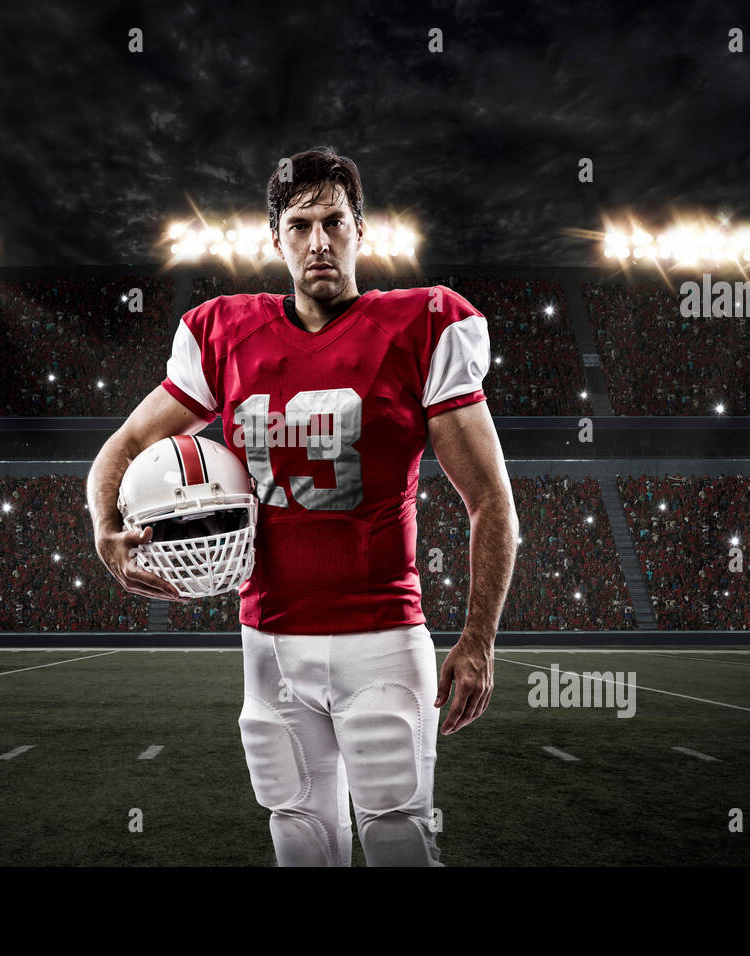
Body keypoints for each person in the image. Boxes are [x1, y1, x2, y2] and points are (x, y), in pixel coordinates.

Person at [89, 146, 518, 866]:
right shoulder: (222, 333)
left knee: (398, 841)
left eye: (333, 222)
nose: (318, 241)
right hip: (268, 644)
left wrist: (478, 642)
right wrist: (105, 526)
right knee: (299, 839)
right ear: (276, 238)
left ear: (361, 230)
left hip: (382, 637)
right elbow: (123, 447)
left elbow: (492, 503)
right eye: (299, 224)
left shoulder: (424, 324)